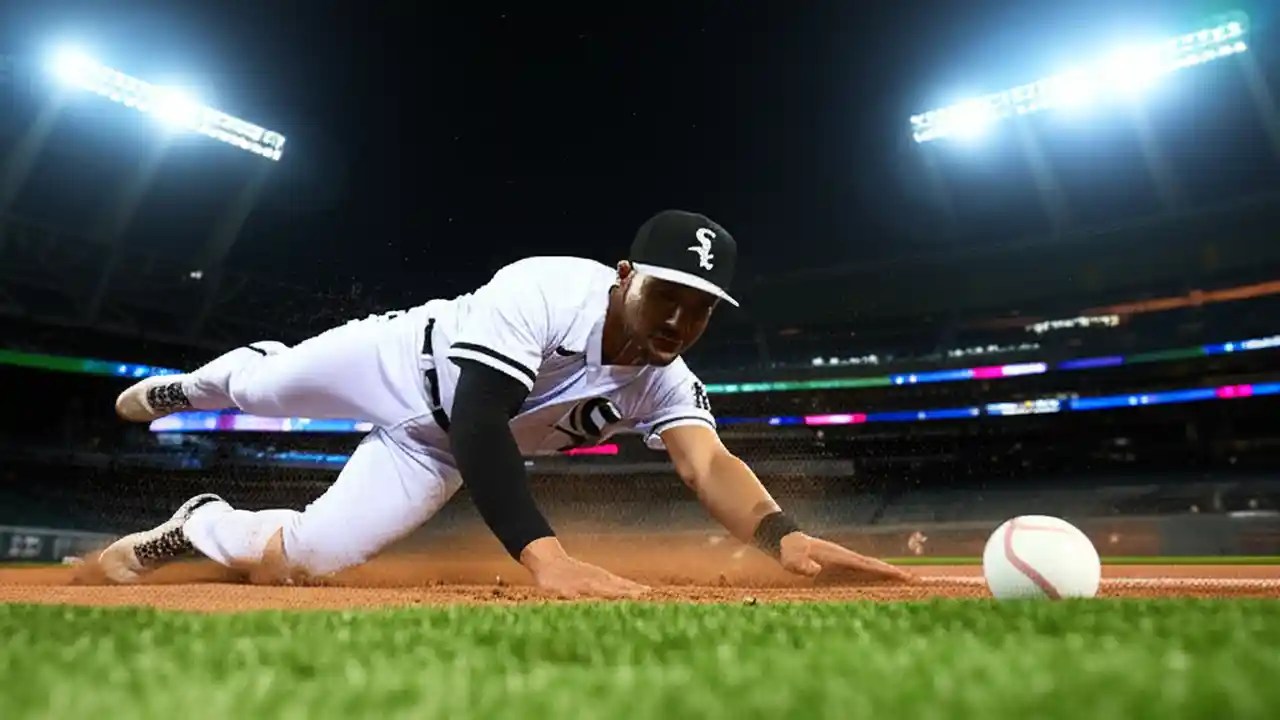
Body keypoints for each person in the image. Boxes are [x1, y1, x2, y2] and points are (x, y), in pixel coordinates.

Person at [99, 209, 913, 598]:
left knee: (301, 563)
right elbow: (483, 414)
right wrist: (546, 558)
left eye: (701, 308)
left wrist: (785, 539)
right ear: (626, 276)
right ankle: (197, 383)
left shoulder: (666, 375)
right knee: (261, 389)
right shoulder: (546, 288)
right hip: (397, 363)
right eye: (668, 293)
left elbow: (707, 463)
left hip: (435, 453)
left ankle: (196, 523)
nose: (679, 319)